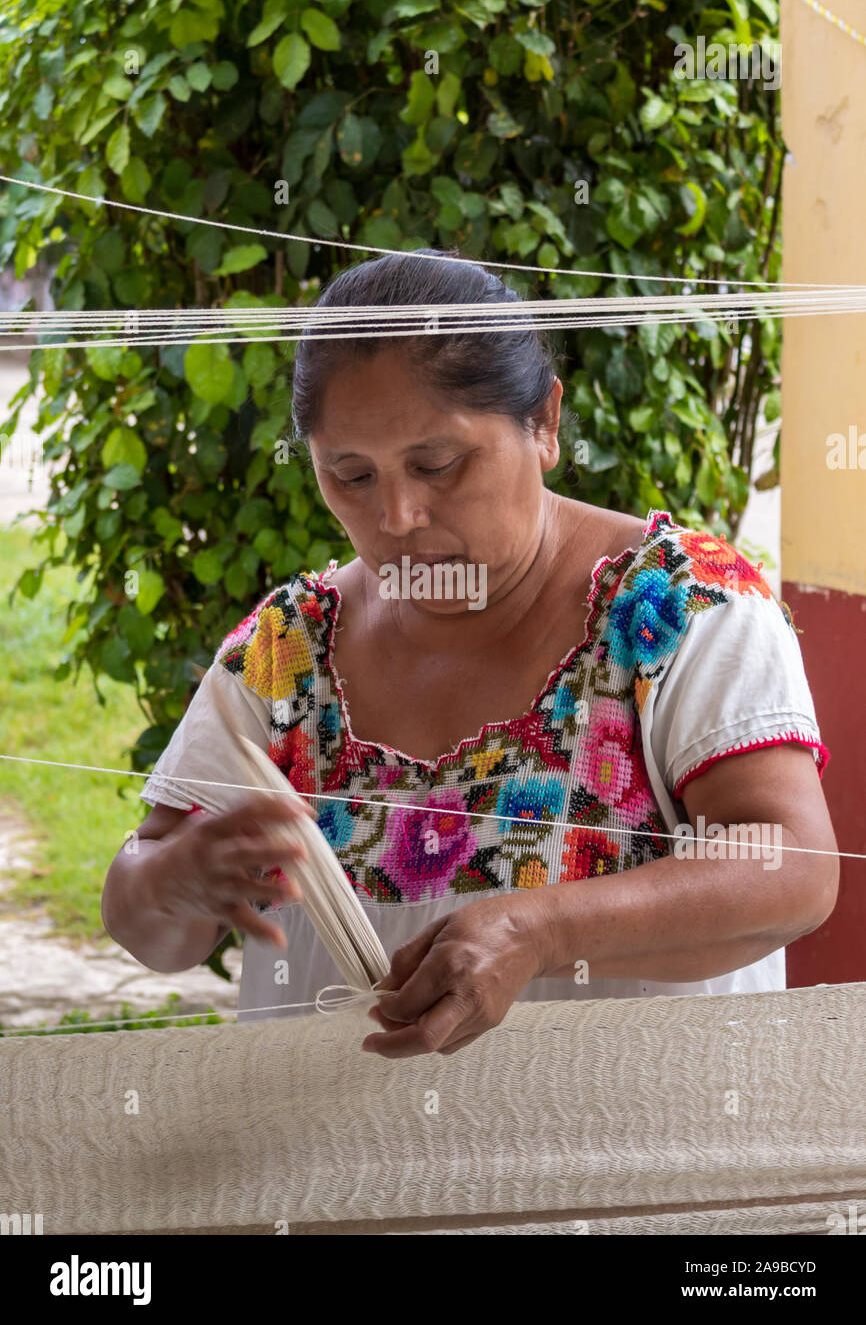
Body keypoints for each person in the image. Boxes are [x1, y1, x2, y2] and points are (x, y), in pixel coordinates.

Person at [102, 249, 839, 1060]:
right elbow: (154, 927)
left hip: (629, 1171)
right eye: (350, 476)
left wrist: (541, 930)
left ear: (545, 422)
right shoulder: (290, 652)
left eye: (438, 464)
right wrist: (173, 883)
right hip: (335, 1177)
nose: (399, 515)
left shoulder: (676, 607)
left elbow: (791, 870)